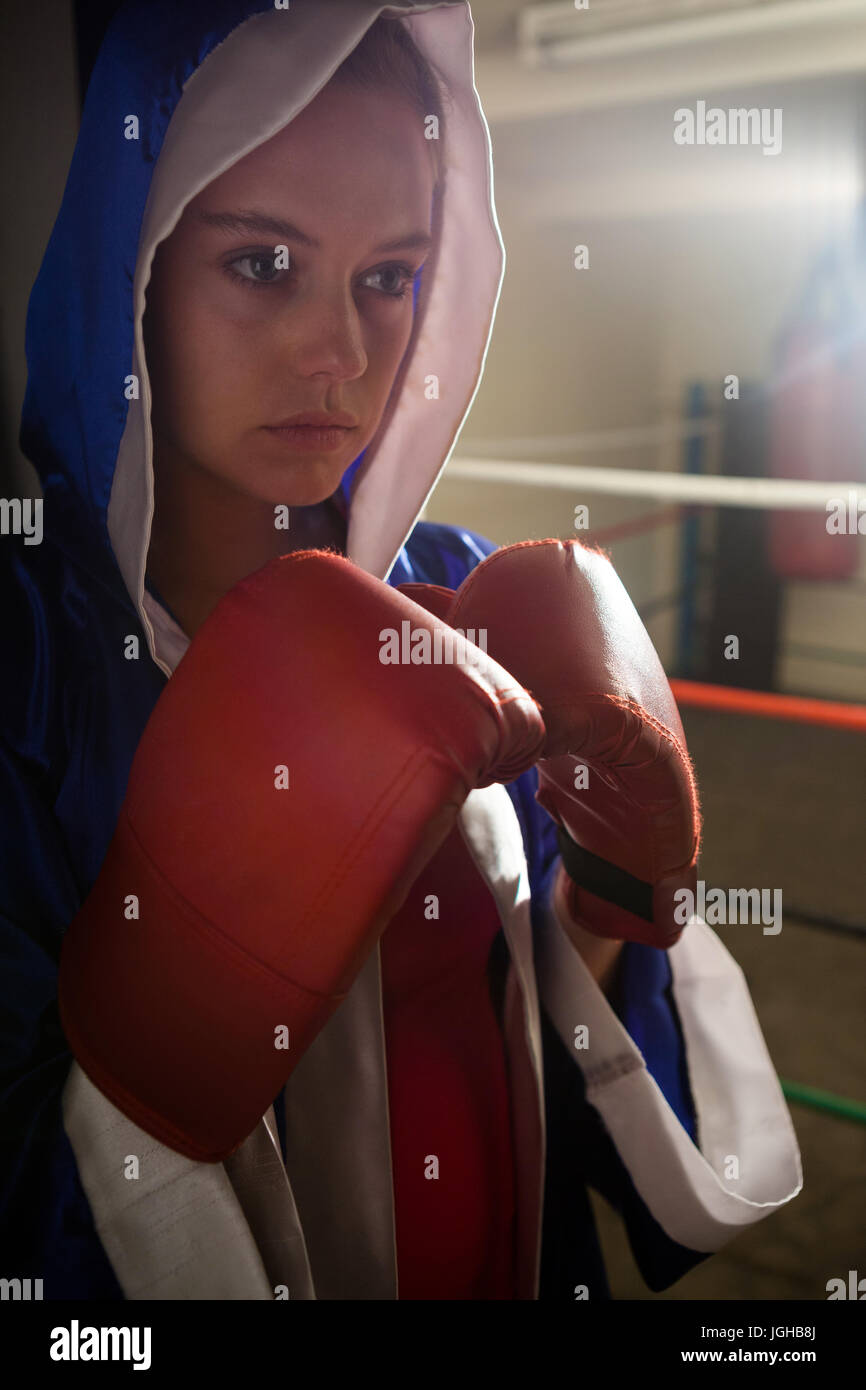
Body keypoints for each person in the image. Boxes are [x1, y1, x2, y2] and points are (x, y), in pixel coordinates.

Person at [1, 0, 801, 1301]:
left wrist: (610, 888)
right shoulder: (32, 669)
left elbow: (562, 1047)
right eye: (263, 263)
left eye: (390, 274)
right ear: (132, 261)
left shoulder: (460, 592)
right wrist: (174, 1025)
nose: (341, 352)